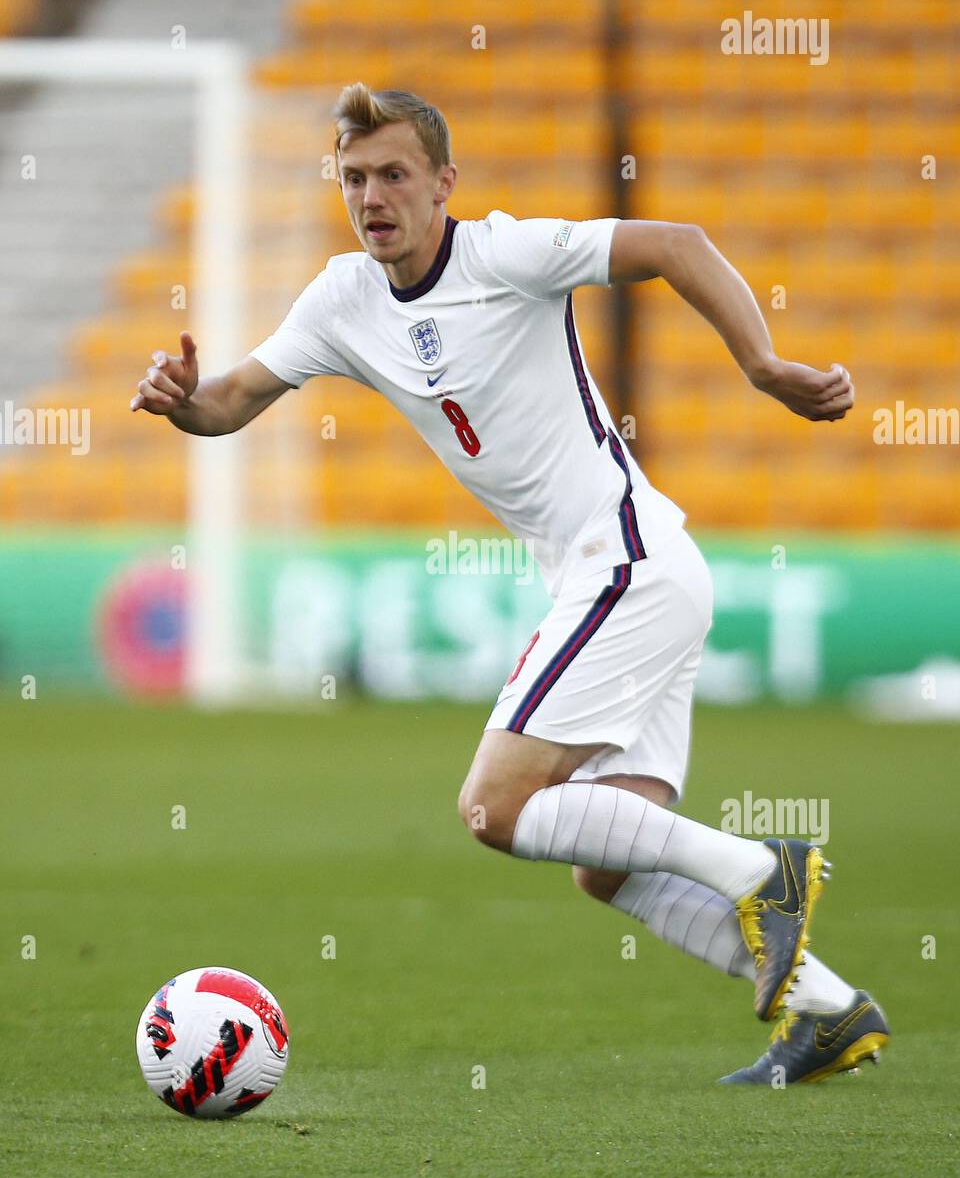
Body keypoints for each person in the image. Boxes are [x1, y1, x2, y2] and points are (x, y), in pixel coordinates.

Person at [131, 83, 889, 1084]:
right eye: (353, 177)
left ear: (444, 182)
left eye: (394, 174)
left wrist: (760, 364)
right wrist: (185, 403)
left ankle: (763, 871)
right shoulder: (342, 299)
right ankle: (831, 1009)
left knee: (493, 808)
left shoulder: (506, 255)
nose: (372, 197)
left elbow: (677, 242)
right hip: (627, 572)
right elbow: (230, 399)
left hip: (629, 566)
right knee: (606, 864)